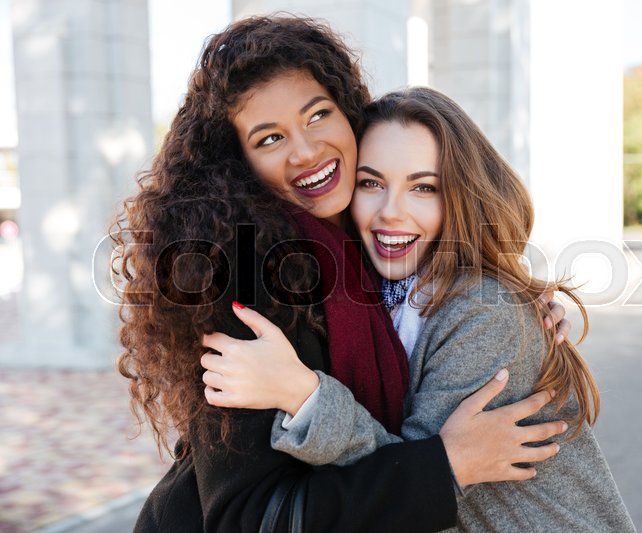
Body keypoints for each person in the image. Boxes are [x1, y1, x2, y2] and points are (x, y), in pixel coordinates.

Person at [113, 16, 572, 532]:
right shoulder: (252, 277)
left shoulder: (366, 245)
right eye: (269, 139)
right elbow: (248, 515)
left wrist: (510, 297)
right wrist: (445, 466)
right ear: (237, 165)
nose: (306, 151)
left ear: (348, 113)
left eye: (317, 115)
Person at [200, 87, 637, 531]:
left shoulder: (483, 315)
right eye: (371, 183)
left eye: (423, 187)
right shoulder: (369, 290)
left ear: (461, 197)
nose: (391, 212)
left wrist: (304, 396)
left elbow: (415, 495)